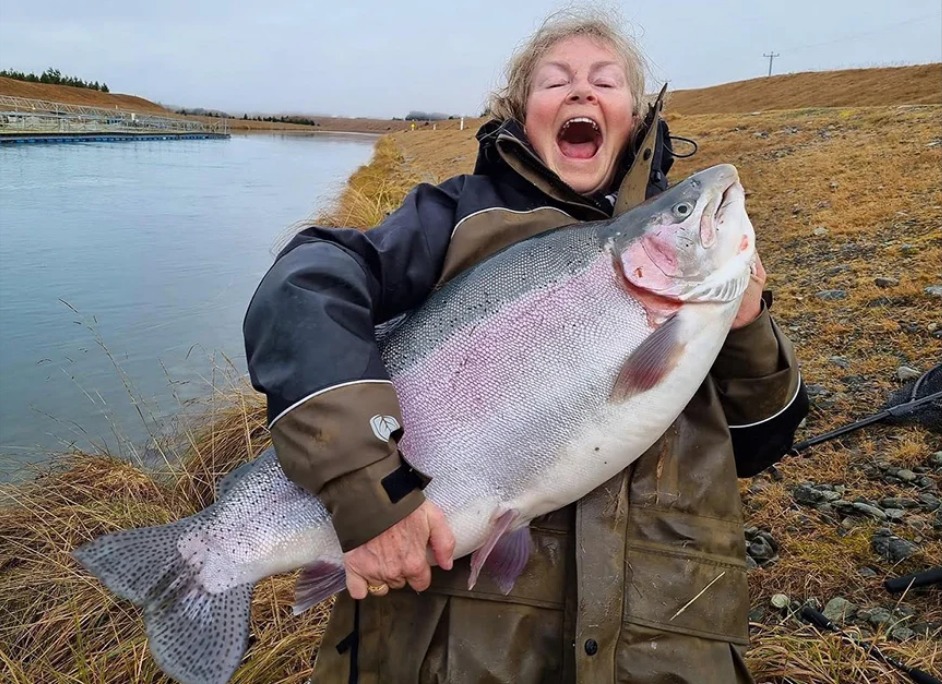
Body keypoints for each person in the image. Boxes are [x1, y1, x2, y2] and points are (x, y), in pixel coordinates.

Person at [243, 10, 808, 683]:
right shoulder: (451, 217)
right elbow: (304, 285)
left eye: (605, 80)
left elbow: (760, 444)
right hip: (454, 650)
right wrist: (368, 494)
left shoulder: (699, 285)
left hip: (662, 648)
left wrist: (747, 326)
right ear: (519, 109)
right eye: (556, 81)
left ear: (635, 112)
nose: (581, 92)